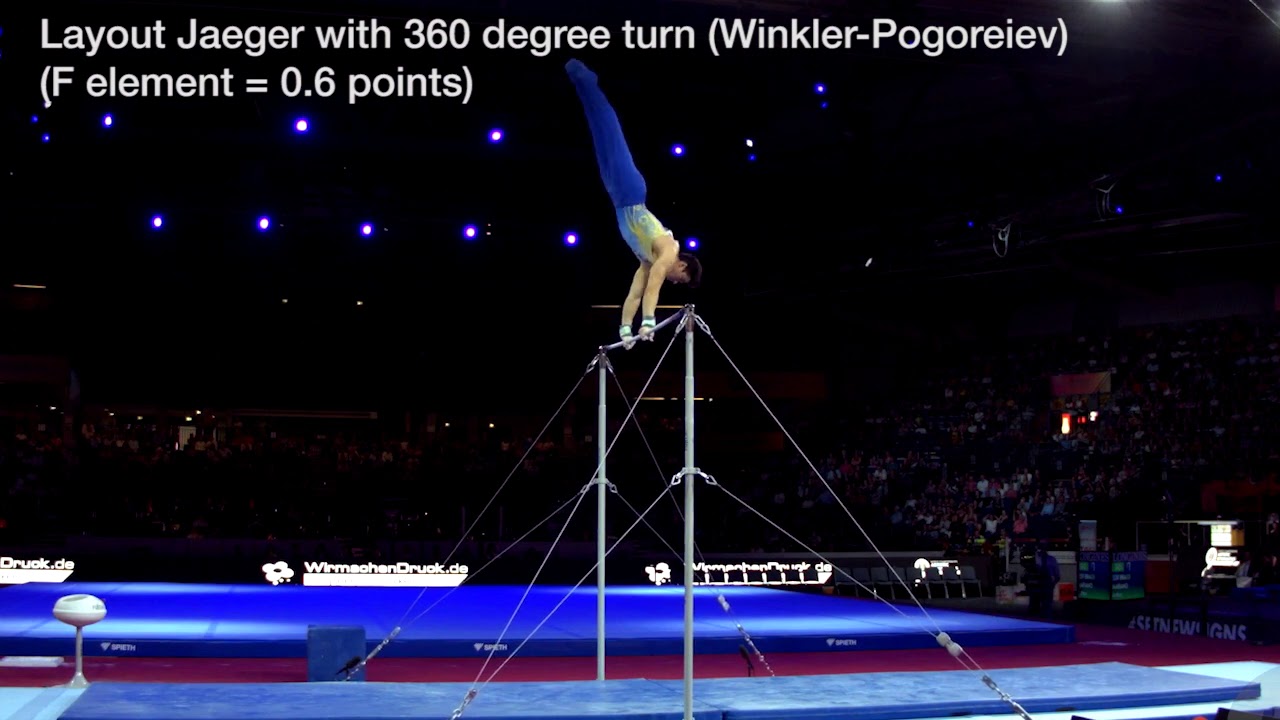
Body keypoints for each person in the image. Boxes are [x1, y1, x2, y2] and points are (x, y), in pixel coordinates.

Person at [566, 59, 701, 348]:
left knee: (597, 131)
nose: (674, 282)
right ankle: (586, 78)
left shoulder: (647, 261)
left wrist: (626, 329)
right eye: (680, 278)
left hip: (617, 197)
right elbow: (654, 288)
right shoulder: (668, 250)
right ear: (682, 265)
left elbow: (636, 294)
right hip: (632, 192)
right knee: (609, 129)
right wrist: (648, 321)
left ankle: (580, 83)